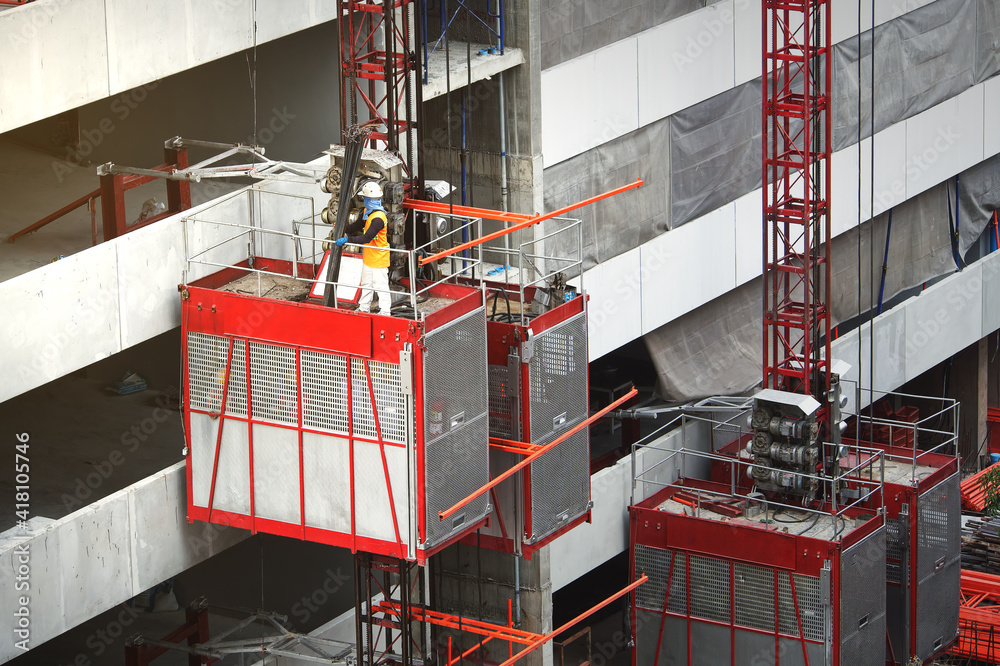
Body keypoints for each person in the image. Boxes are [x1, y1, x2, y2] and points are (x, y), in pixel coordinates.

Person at [335, 181, 392, 314]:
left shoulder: (378, 218)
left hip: (379, 257)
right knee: (366, 284)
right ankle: (364, 307)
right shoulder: (368, 212)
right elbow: (356, 226)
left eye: (364, 198)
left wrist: (347, 240)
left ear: (368, 199)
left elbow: (367, 238)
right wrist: (341, 229)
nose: (363, 200)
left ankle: (385, 312)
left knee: (381, 286)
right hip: (369, 256)